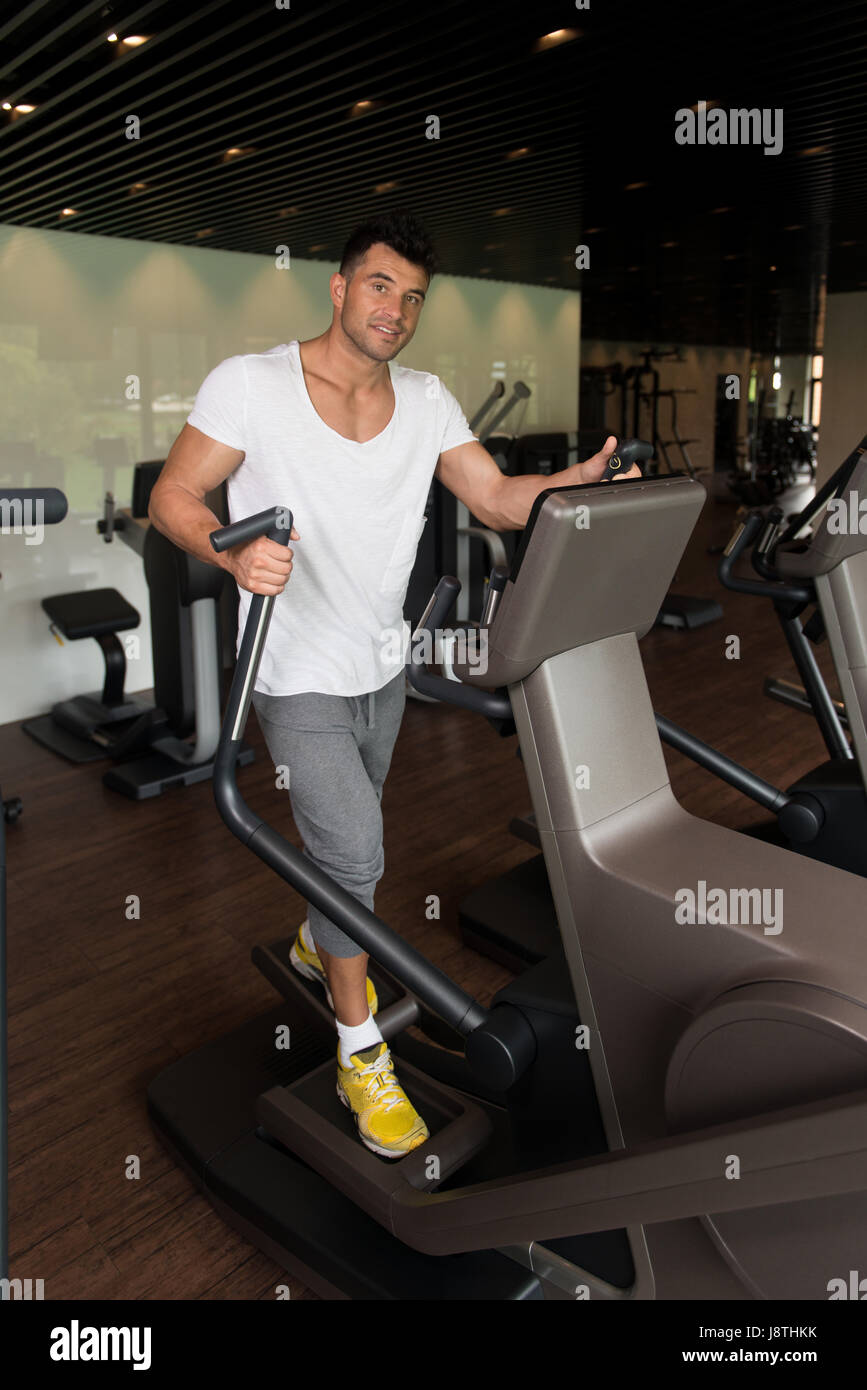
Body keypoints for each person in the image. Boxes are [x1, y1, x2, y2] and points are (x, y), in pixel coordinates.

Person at [149, 208, 638, 1161]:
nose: (395, 309)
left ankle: (315, 938)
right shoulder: (250, 385)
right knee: (358, 856)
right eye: (380, 286)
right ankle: (357, 1049)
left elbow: (495, 497)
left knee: (343, 864)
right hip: (291, 672)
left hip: (385, 668)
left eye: (412, 296)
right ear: (338, 288)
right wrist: (228, 550)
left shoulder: (423, 398)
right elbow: (171, 495)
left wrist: (571, 483)